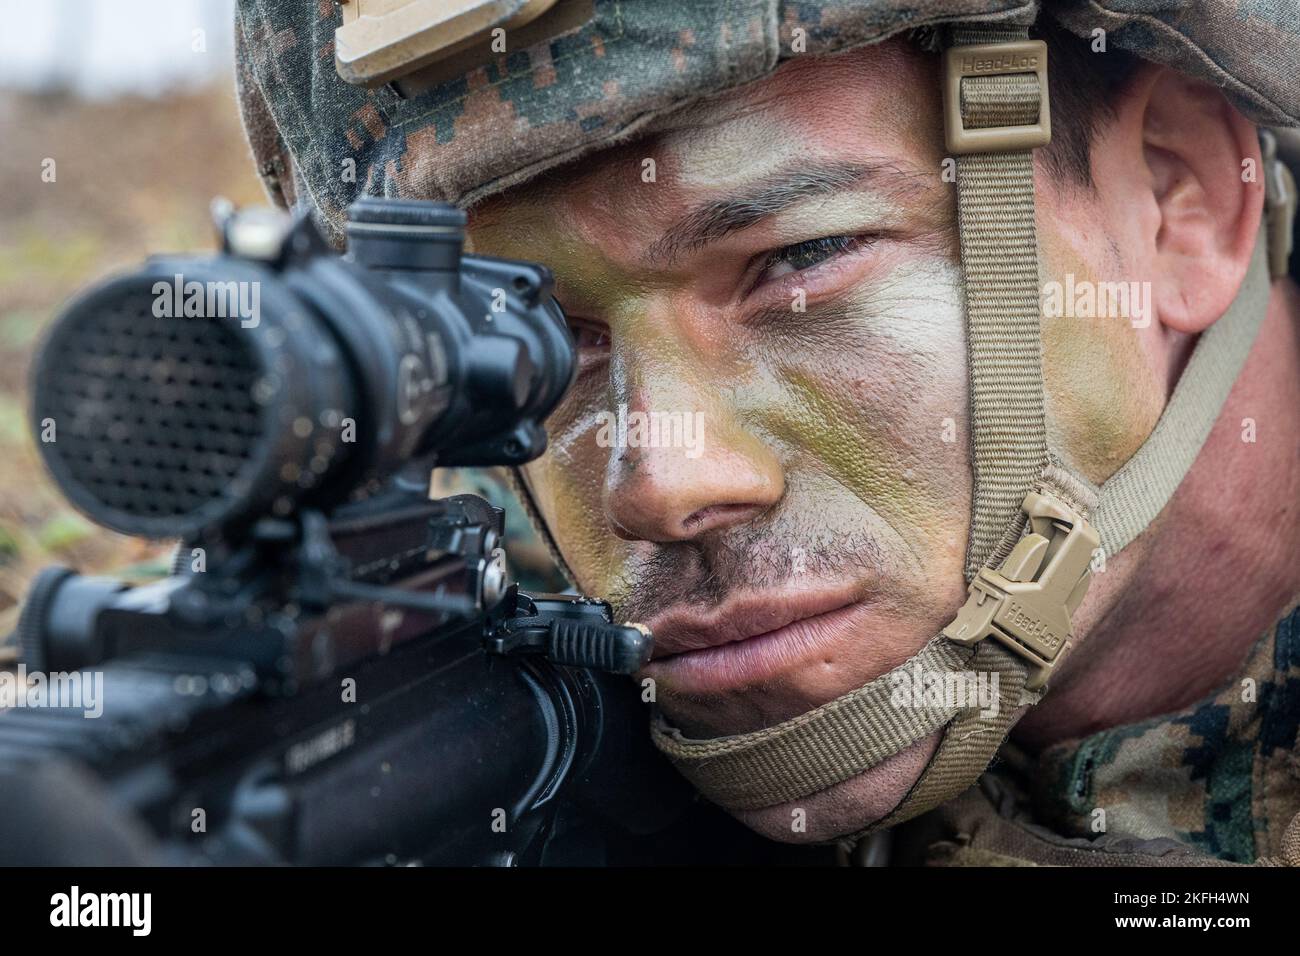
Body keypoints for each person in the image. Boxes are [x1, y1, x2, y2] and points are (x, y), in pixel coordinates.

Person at [234, 0, 1300, 865]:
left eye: (797, 262)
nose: (659, 484)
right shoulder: (478, 679)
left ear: (1178, 198)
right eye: (541, 339)